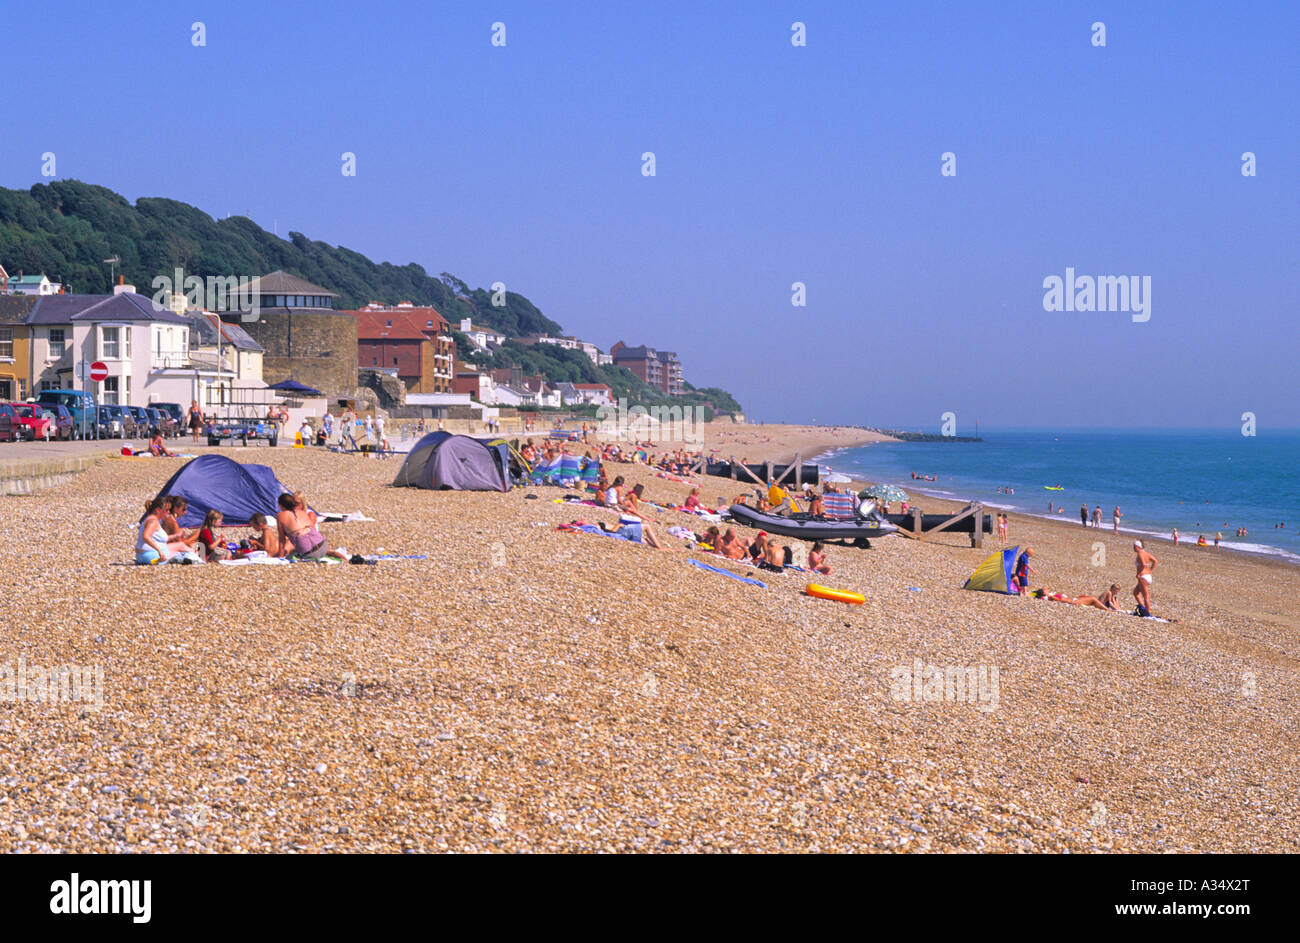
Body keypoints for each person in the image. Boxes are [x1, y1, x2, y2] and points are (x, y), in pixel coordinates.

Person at [276, 493, 347, 561]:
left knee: (293, 548)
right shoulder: (302, 512)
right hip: (322, 545)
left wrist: (280, 557)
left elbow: (282, 539)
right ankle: (342, 558)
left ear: (281, 506)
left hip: (308, 553)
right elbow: (313, 529)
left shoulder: (280, 516)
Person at [135, 497, 172, 564]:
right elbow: (146, 536)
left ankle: (152, 562)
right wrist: (159, 551)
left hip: (141, 556)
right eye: (166, 510)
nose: (169, 512)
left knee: (178, 547)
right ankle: (156, 561)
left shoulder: (149, 519)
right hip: (150, 556)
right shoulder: (153, 521)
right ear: (158, 510)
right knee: (180, 548)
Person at [1132, 540, 1157, 614]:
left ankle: (1148, 612)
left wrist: (1139, 574)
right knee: (1135, 592)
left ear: (1138, 547)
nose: (1133, 548)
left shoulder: (1140, 554)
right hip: (1147, 575)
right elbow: (1155, 561)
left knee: (1146, 596)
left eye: (1134, 546)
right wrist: (1150, 570)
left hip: (1143, 577)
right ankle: (1143, 608)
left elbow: (1143, 564)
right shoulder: (1147, 553)